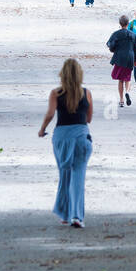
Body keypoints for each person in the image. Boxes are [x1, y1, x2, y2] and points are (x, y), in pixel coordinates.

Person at [38, 58, 94, 228]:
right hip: (81, 137)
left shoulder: (56, 93)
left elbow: (50, 114)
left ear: (62, 74)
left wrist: (42, 129)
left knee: (64, 173)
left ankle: (64, 214)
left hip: (61, 137)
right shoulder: (86, 93)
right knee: (78, 175)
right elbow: (89, 118)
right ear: (79, 75)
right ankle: (77, 216)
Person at [108, 14, 136, 107]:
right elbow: (135, 48)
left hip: (119, 57)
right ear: (128, 23)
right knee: (127, 77)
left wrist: (114, 50)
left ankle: (121, 99)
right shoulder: (133, 35)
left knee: (120, 79)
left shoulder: (116, 34)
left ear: (120, 23)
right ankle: (128, 92)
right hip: (130, 57)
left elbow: (110, 45)